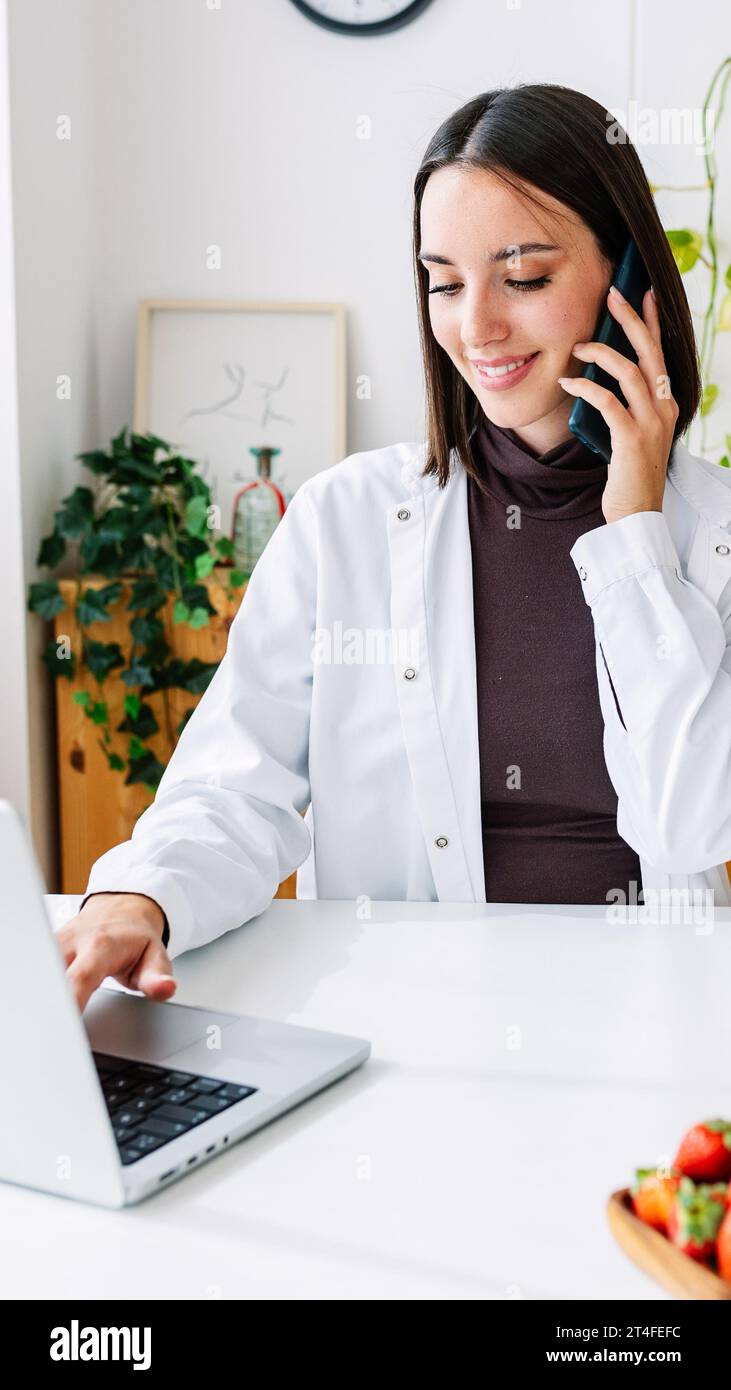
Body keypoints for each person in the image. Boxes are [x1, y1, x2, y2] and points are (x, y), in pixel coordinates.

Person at [57, 84, 731, 1013]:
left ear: (626, 278)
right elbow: (232, 786)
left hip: (654, 1025)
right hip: (407, 1027)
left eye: (524, 277)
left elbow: (691, 822)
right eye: (445, 282)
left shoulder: (711, 535)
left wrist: (635, 538)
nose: (476, 326)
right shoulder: (344, 521)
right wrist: (140, 891)